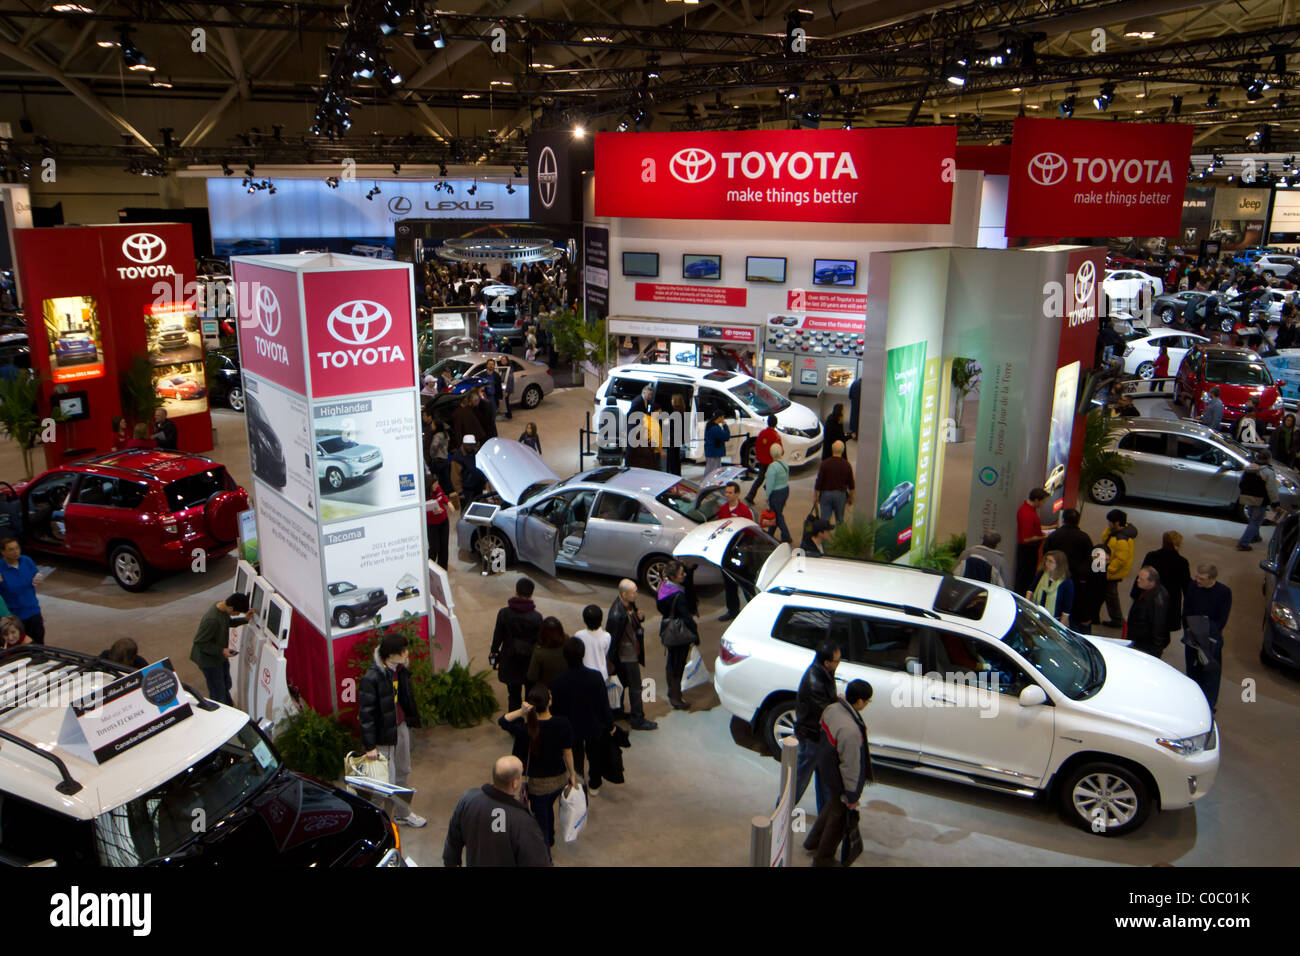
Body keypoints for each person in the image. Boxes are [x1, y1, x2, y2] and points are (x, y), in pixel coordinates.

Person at [359, 632, 426, 827]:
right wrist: (370, 746)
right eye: (402, 651)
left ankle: (403, 813)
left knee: (403, 772)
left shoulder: (401, 670)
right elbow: (366, 715)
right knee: (383, 782)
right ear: (389, 655)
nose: (407, 653)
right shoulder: (372, 678)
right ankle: (374, 822)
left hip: (401, 727)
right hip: (383, 737)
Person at [498, 685, 576, 850]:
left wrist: (521, 712)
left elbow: (503, 721)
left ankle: (545, 855)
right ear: (549, 702)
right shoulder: (562, 723)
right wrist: (572, 775)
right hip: (558, 780)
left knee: (541, 824)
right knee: (547, 809)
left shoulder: (526, 730)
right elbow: (567, 752)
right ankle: (551, 838)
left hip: (537, 785)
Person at [805, 679, 873, 867]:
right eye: (867, 701)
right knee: (838, 820)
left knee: (831, 806)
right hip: (839, 780)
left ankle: (812, 842)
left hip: (827, 771)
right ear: (859, 701)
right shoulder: (850, 731)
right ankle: (823, 859)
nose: (867, 704)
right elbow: (850, 766)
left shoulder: (832, 709)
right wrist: (852, 796)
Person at [443, 756, 552, 867]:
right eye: (521, 775)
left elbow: (452, 840)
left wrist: (451, 863)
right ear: (514, 783)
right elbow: (537, 861)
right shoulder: (523, 821)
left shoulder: (468, 799)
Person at [550, 637, 616, 795]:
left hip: (571, 727)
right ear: (583, 654)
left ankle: (578, 784)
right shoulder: (596, 677)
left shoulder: (558, 681)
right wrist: (610, 724)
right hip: (593, 725)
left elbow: (556, 709)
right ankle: (595, 782)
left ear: (565, 656)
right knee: (595, 755)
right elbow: (603, 704)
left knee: (575, 757)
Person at [792, 641, 840, 814]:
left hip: (821, 737)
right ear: (826, 662)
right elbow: (825, 711)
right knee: (800, 779)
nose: (838, 664)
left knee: (825, 778)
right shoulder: (814, 682)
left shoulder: (825, 673)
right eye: (836, 661)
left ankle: (825, 816)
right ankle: (782, 810)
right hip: (811, 737)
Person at [606, 579, 656, 730]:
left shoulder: (628, 604)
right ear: (624, 594)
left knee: (622, 684)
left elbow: (634, 622)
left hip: (627, 652)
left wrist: (640, 618)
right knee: (635, 687)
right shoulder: (616, 615)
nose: (636, 595)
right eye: (633, 592)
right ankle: (637, 719)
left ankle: (617, 711)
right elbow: (612, 640)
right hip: (626, 655)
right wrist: (611, 662)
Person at [188, 592, 252, 705]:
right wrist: (221, 650)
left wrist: (245, 620)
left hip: (219, 657)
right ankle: (221, 709)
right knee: (218, 692)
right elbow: (200, 642)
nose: (237, 615)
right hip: (209, 661)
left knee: (226, 683)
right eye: (237, 612)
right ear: (231, 608)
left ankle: (228, 706)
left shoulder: (222, 609)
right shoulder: (212, 620)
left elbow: (228, 622)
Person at [1183, 564, 1232, 711]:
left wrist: (1205, 631)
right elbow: (1186, 609)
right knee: (1192, 670)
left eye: (1202, 579)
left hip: (1210, 639)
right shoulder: (1193, 587)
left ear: (1212, 579)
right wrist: (1189, 628)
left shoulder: (1223, 593)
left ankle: (1208, 705)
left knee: (1210, 674)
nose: (1197, 580)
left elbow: (1221, 620)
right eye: (1197, 577)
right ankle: (1192, 701)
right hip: (1193, 635)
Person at [490, 577, 543, 712]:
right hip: (529, 661)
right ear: (532, 594)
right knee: (530, 696)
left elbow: (498, 636)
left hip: (510, 659)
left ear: (515, 592)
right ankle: (530, 721)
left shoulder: (504, 613)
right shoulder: (537, 617)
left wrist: (494, 651)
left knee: (513, 695)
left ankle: (514, 721)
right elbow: (539, 641)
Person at [1132, 531, 1190, 649]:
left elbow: (1141, 576)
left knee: (1145, 626)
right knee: (1162, 632)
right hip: (1170, 604)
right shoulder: (1182, 562)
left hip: (1148, 599)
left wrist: (1136, 596)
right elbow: (1186, 586)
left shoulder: (1152, 556)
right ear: (1178, 545)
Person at [657, 560, 699, 711]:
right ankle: (676, 698)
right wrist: (695, 634)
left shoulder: (662, 588)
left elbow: (662, 609)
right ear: (673, 577)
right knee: (678, 666)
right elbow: (687, 618)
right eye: (681, 573)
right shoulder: (678, 596)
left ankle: (672, 692)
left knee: (671, 663)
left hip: (668, 631)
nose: (684, 575)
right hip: (679, 634)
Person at [1044, 509, 1094, 629]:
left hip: (1055, 575)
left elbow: (1046, 554)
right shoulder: (1084, 538)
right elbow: (1089, 559)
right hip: (1076, 578)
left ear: (1063, 519)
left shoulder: (1054, 535)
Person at [716, 482, 754, 621]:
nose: (727, 495)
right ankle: (732, 611)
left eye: (730, 493)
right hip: (726, 552)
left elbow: (751, 532)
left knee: (746, 583)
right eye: (726, 492)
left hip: (741, 553)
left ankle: (754, 609)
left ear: (737, 494)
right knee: (729, 584)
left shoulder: (744, 511)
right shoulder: (722, 509)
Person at [1101, 509, 1138, 627]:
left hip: (1113, 572)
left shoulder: (1122, 540)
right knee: (1108, 594)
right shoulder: (1116, 533)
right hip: (1110, 568)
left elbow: (1121, 560)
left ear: (1117, 523)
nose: (1108, 524)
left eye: (1110, 522)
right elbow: (1105, 539)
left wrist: (1109, 569)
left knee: (1111, 595)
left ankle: (1117, 619)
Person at [1236, 449, 1279, 551]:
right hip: (1260, 500)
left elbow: (1241, 483)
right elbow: (1272, 489)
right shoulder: (1267, 472)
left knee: (1253, 519)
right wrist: (1275, 503)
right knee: (1256, 521)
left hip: (1247, 498)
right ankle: (1243, 543)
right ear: (1268, 459)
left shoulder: (1248, 468)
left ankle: (1255, 536)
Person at [1126, 566, 1170, 657]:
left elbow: (1158, 625)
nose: (1138, 580)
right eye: (1138, 577)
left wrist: (1156, 649)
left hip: (1145, 646)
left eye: (1141, 579)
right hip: (1140, 641)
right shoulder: (1148, 592)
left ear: (1151, 582)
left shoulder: (1157, 600)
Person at [1014, 488, 1050, 596]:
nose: (1043, 504)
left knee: (1025, 576)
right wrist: (1044, 537)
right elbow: (1027, 538)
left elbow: (1035, 527)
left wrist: (1051, 527)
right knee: (1025, 577)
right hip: (1027, 550)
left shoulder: (1028, 510)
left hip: (1028, 549)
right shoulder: (1027, 513)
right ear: (1036, 500)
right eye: (1043, 501)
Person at [814, 440, 855, 526]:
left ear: (832, 449)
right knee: (840, 520)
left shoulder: (825, 464)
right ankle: (839, 534)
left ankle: (825, 534)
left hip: (826, 495)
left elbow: (819, 481)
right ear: (843, 451)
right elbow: (851, 485)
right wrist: (851, 498)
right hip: (840, 496)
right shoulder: (847, 465)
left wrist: (815, 496)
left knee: (824, 520)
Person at [1031, 550, 1075, 624]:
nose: (1046, 563)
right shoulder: (1042, 574)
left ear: (1059, 564)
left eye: (1050, 561)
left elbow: (1066, 609)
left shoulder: (1067, 582)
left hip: (1054, 621)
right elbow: (1031, 589)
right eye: (1046, 560)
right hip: (1036, 615)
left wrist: (1060, 625)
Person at [746, 415, 781, 505]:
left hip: (762, 461)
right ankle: (771, 499)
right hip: (771, 462)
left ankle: (750, 496)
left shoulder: (762, 433)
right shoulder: (776, 436)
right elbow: (779, 450)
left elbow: (757, 445)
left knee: (760, 478)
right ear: (776, 423)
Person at [527, 616, 568, 688]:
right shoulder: (568, 642)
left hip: (546, 689)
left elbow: (532, 676)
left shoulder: (539, 652)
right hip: (565, 685)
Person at [574, 604, 611, 681]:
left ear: (584, 620)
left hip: (584, 675)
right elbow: (605, 652)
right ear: (601, 619)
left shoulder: (578, 635)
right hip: (601, 675)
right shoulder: (607, 636)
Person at [763, 443, 792, 543]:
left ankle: (786, 536)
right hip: (785, 490)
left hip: (776, 493)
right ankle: (770, 534)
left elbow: (770, 484)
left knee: (778, 516)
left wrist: (767, 496)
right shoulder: (785, 463)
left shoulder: (772, 467)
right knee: (776, 513)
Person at [624, 384, 655, 468]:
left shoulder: (645, 401)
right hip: (632, 425)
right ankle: (627, 465)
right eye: (649, 394)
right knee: (630, 447)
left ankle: (633, 464)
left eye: (651, 395)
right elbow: (630, 414)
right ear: (644, 392)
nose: (650, 396)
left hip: (638, 426)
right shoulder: (638, 401)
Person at [425, 476, 451, 568]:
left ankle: (443, 569)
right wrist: (433, 512)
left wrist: (448, 502)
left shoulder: (438, 488)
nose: (437, 486)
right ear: (430, 485)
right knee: (434, 548)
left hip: (443, 521)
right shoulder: (424, 495)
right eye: (435, 484)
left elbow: (442, 496)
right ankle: (429, 568)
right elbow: (424, 510)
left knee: (444, 546)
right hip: (432, 524)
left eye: (437, 483)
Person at [663, 393, 687, 476]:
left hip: (672, 441)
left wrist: (667, 423)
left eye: (672, 399)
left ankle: (674, 477)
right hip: (677, 441)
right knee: (676, 461)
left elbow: (674, 428)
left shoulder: (676, 413)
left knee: (673, 462)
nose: (671, 401)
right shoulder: (681, 412)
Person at [703, 410, 730, 475]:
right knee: (712, 470)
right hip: (714, 452)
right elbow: (726, 437)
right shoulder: (715, 428)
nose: (723, 419)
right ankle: (707, 480)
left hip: (711, 451)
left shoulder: (709, 424)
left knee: (712, 468)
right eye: (723, 417)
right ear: (719, 417)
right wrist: (725, 425)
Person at [847, 376, 861, 440]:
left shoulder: (854, 383)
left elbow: (850, 396)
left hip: (854, 406)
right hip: (861, 407)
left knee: (854, 420)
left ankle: (854, 435)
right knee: (859, 420)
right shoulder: (865, 386)